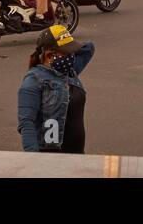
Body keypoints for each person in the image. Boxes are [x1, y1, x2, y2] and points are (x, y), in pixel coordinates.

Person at [17, 25, 95, 154]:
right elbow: (26, 123)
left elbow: (88, 48)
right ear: (49, 55)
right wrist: (33, 160)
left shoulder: (69, 72)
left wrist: (64, 37)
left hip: (78, 155)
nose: (71, 56)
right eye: (67, 53)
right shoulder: (33, 81)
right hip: (51, 157)